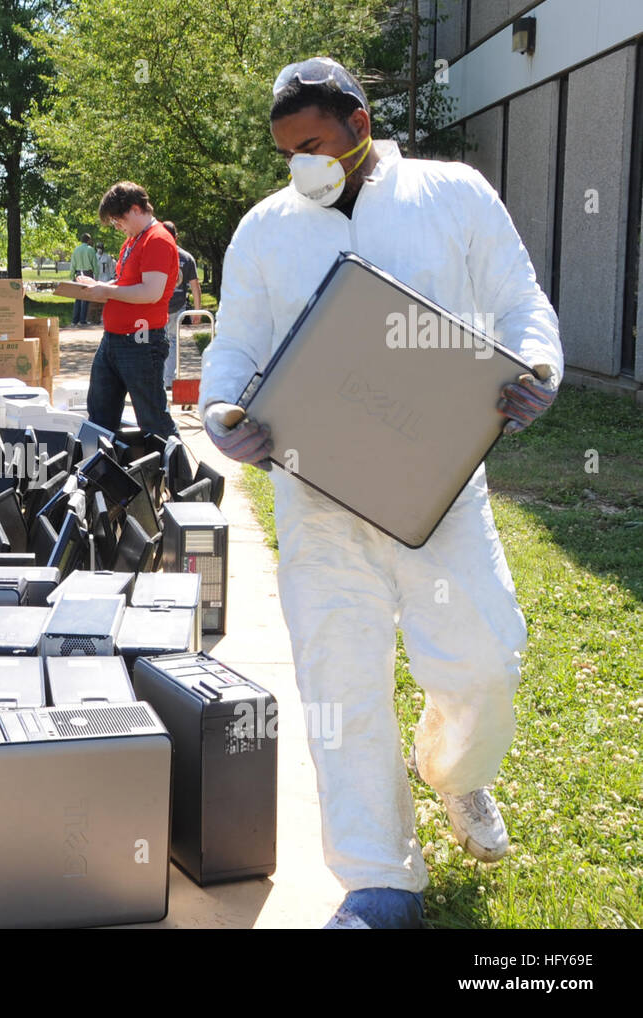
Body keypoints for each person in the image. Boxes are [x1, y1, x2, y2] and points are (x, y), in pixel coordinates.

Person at [198, 57, 562, 929]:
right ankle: (379, 883)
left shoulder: (453, 194)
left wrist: (537, 368)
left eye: (314, 145)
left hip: (435, 487)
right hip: (317, 496)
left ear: (360, 126)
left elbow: (520, 302)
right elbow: (234, 345)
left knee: (483, 655)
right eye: (287, 152)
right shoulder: (265, 228)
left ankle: (458, 776)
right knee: (342, 684)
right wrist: (222, 410)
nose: (300, 166)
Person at [72, 181, 180, 439]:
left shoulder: (157, 240)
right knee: (99, 414)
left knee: (153, 421)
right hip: (114, 339)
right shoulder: (133, 241)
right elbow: (126, 283)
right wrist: (100, 285)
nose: (117, 227)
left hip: (141, 340)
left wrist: (106, 292)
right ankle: (98, 475)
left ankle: (181, 478)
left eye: (117, 220)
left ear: (134, 209)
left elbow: (151, 291)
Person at [160, 221, 202, 389]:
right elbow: (195, 286)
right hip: (178, 306)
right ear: (176, 237)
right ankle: (169, 379)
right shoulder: (187, 257)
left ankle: (161, 378)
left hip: (159, 306)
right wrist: (197, 311)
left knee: (156, 341)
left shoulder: (155, 255)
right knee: (173, 340)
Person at [69, 232, 100, 326]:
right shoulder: (90, 250)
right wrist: (96, 278)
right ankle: (83, 320)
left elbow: (73, 264)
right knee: (86, 297)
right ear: (89, 240)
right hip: (87, 273)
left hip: (78, 273)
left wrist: (72, 276)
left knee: (78, 297)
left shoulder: (76, 250)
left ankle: (74, 320)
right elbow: (95, 265)